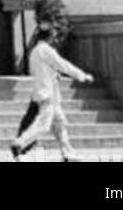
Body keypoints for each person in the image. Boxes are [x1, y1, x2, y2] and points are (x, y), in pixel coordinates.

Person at [10, 19, 94, 162]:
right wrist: (82, 76)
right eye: (53, 35)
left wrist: (55, 75)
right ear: (48, 36)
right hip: (47, 93)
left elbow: (44, 70)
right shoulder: (46, 50)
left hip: (48, 92)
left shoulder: (35, 51)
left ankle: (68, 153)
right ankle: (20, 143)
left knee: (60, 123)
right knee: (43, 124)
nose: (54, 38)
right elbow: (63, 65)